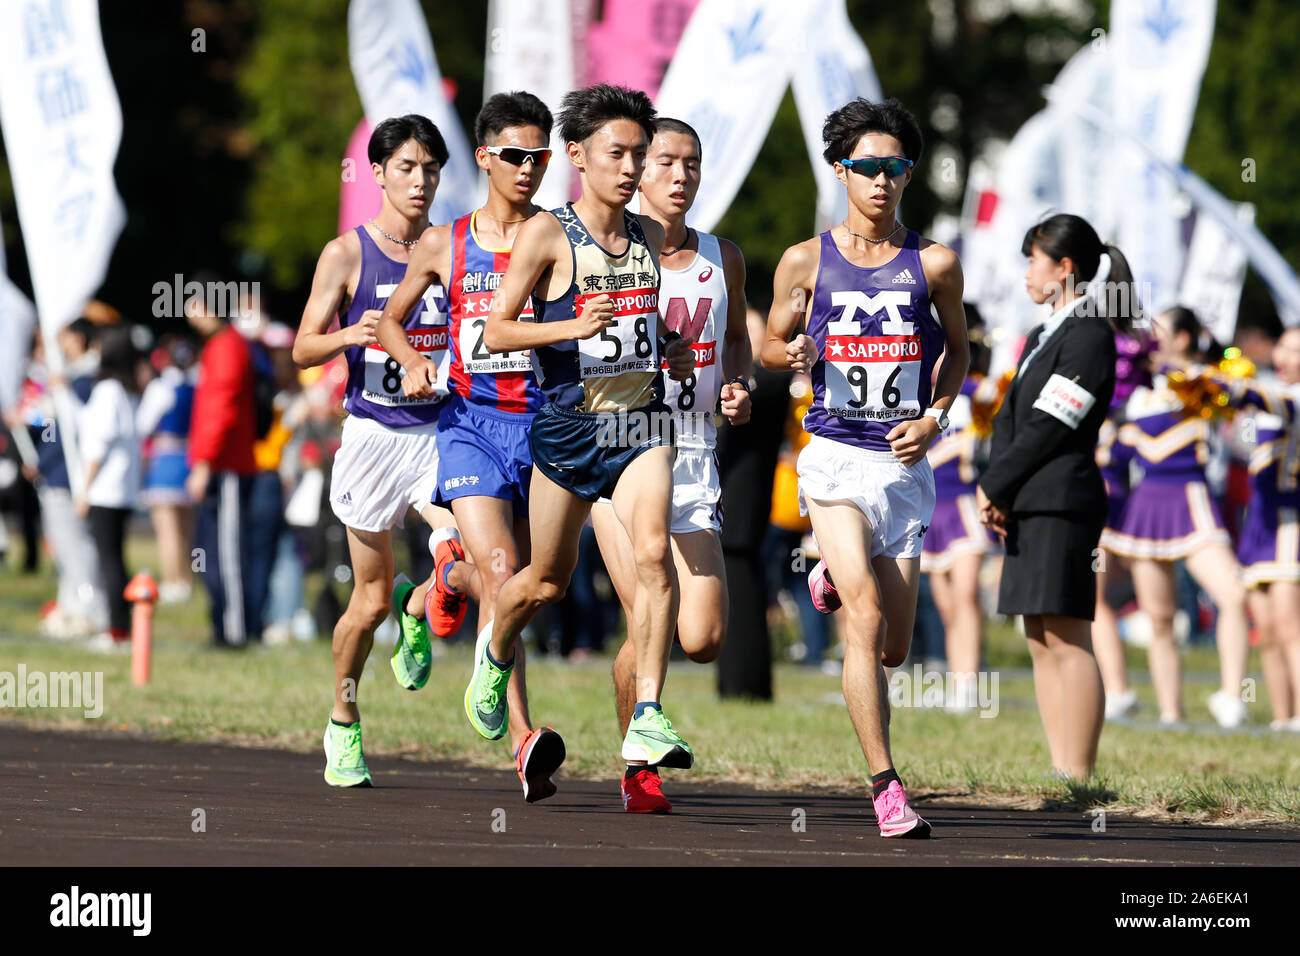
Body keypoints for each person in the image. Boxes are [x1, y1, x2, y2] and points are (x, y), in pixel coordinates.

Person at [466, 84, 696, 803]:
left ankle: (649, 716)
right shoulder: (546, 234)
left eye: (641, 155)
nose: (632, 169)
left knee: (655, 554)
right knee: (545, 582)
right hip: (568, 430)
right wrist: (571, 328)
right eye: (616, 154)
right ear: (577, 156)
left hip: (640, 423)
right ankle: (496, 650)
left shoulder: (654, 236)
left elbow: (649, 328)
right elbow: (495, 331)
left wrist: (673, 351)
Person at [763, 98, 969, 837]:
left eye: (895, 169)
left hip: (902, 470)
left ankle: (824, 576)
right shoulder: (806, 260)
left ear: (908, 175)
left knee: (894, 646)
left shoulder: (935, 263)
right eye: (866, 168)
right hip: (834, 461)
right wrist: (785, 354)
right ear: (841, 172)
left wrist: (935, 418)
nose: (880, 181)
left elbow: (960, 355)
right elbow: (769, 340)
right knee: (867, 616)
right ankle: (886, 787)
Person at [376, 91, 565, 802]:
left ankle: (427, 594)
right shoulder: (444, 242)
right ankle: (521, 739)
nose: (527, 167)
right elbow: (390, 321)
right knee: (503, 570)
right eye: (514, 155)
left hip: (547, 428)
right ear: (484, 157)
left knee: (529, 585)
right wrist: (416, 363)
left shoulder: (558, 235)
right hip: (471, 424)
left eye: (539, 156)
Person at [294, 114, 477, 787]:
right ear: (377, 173)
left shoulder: (452, 249)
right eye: (407, 167)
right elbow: (302, 349)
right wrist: (351, 336)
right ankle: (344, 722)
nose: (421, 180)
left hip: (440, 432)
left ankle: (424, 597)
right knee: (366, 604)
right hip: (372, 438)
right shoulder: (346, 254)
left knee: (473, 552)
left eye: (431, 168)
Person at [585, 117, 751, 812]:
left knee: (703, 637)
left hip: (695, 451)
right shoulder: (607, 252)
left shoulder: (724, 257)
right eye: (666, 163)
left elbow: (738, 338)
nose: (680, 176)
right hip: (622, 448)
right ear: (637, 171)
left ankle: (641, 735)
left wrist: (740, 385)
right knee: (646, 611)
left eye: (692, 164)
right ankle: (639, 767)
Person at [977, 213, 1138, 779]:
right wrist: (1002, 490)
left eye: (1033, 260)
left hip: (1061, 500)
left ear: (1064, 267)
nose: (1026, 272)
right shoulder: (1047, 331)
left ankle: (1081, 773)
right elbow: (1014, 418)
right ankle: (1061, 769)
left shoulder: (1088, 333)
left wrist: (995, 484)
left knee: (1068, 635)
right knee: (1040, 637)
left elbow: (1051, 423)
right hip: (1029, 498)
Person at [1103, 306, 1249, 728]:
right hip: (1146, 506)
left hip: (1192, 500)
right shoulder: (1136, 390)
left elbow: (1237, 410)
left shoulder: (1206, 382)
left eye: (1161, 330)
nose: (1150, 337)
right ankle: (1171, 713)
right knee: (1160, 617)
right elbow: (1115, 445)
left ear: (1183, 338)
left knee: (1233, 595)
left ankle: (1232, 697)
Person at [77, 324, 143, 651]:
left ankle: (118, 630)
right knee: (116, 557)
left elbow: (97, 446)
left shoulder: (107, 392)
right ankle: (124, 625)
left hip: (105, 490)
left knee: (109, 560)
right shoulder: (128, 391)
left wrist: (84, 490)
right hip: (124, 489)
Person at [136, 336, 197, 605]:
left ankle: (173, 581)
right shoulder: (196, 385)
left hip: (165, 459)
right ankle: (187, 580)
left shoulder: (160, 388)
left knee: (167, 530)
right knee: (186, 528)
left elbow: (143, 425)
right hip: (190, 458)